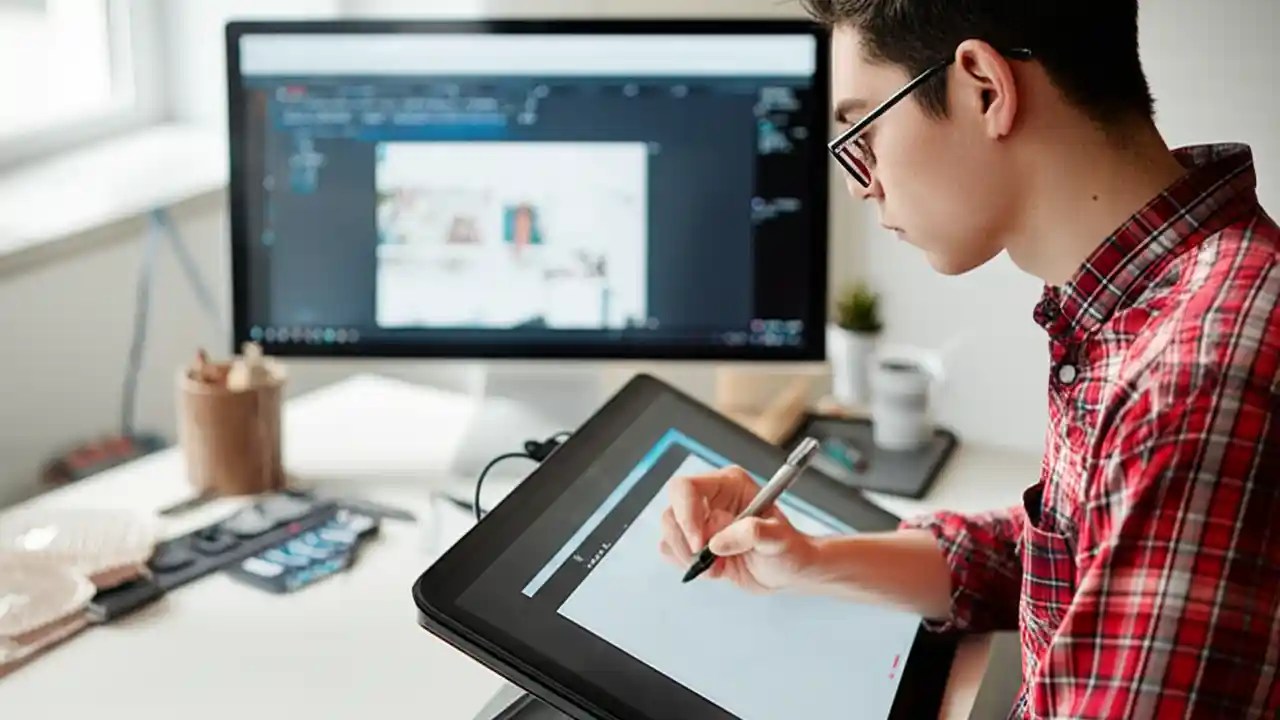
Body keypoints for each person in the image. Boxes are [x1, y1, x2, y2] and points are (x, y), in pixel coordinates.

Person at [658, 2, 1280, 718]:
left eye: (864, 132)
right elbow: (1061, 556)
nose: (864, 185)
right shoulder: (1146, 310)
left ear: (985, 87)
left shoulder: (1197, 373)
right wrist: (813, 560)